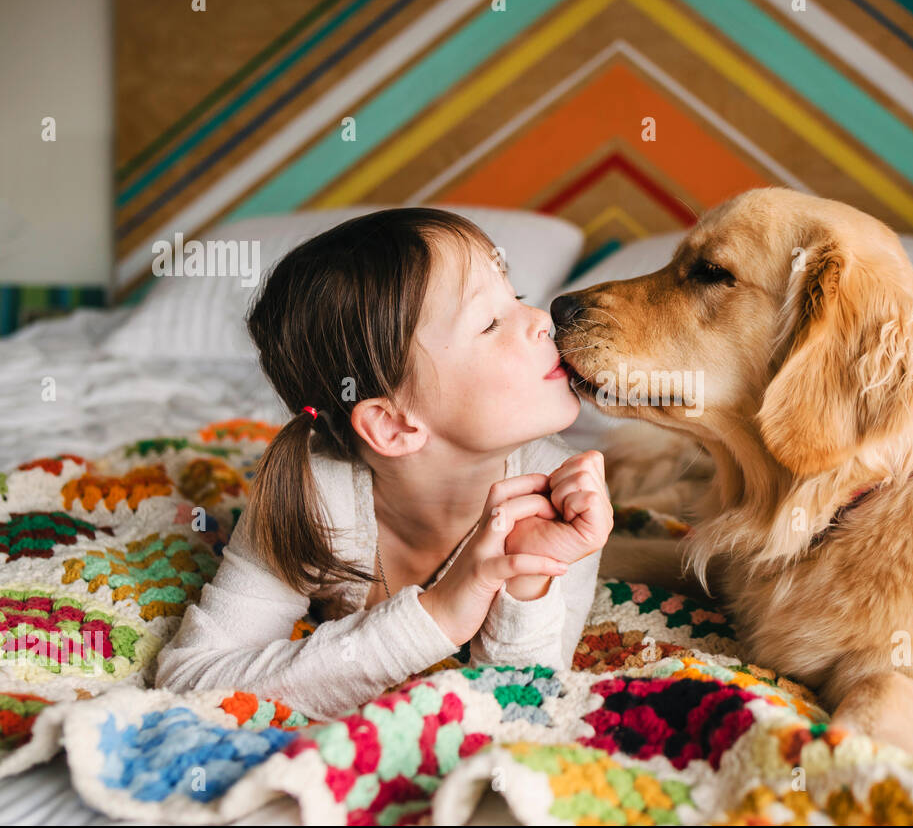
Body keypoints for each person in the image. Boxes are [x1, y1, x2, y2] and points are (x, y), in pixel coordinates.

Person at [153, 208, 611, 720]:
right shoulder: (313, 495)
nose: (543, 319)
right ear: (393, 426)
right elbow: (190, 680)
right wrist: (436, 616)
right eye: (490, 323)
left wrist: (530, 576)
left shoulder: (561, 495)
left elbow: (523, 709)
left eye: (518, 295)